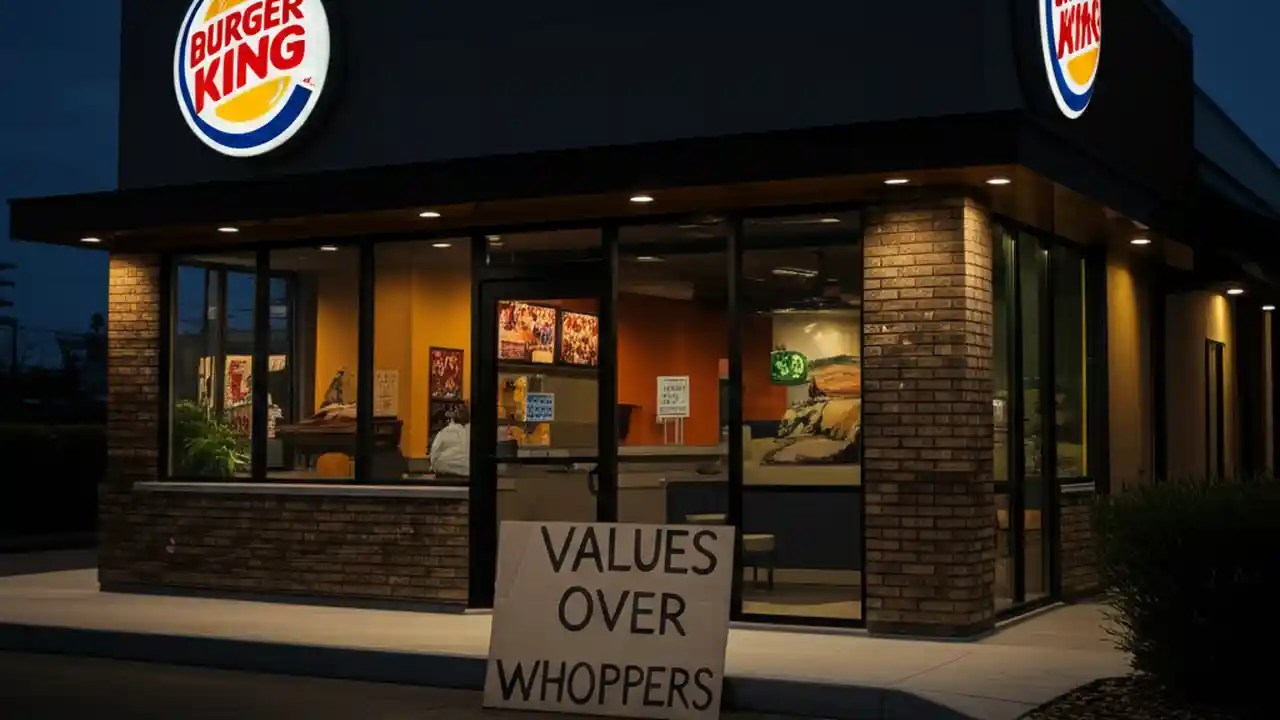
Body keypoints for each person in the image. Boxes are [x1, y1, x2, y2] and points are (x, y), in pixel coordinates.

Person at [430, 404, 470, 477]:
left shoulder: (444, 432)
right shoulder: (475, 433)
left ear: (451, 419)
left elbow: (434, 455)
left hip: (445, 472)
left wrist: (434, 468)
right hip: (468, 474)